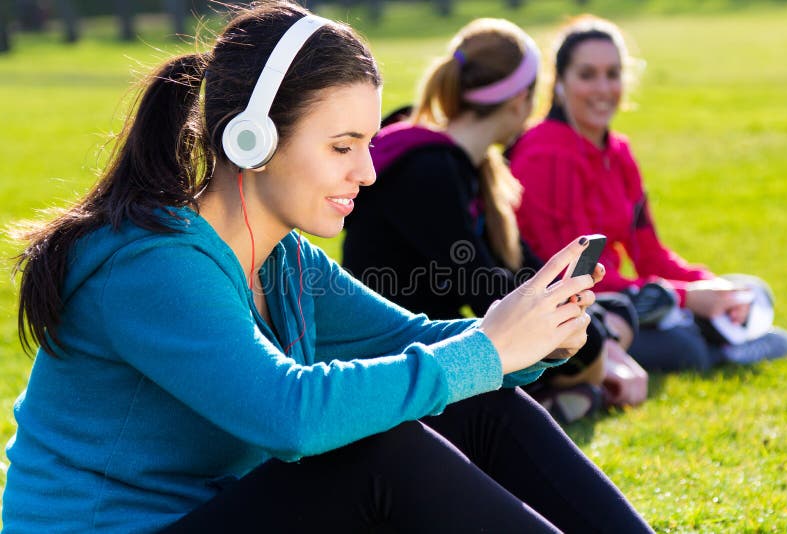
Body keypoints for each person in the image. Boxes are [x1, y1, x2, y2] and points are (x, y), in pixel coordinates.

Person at [2, 2, 654, 532]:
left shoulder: (284, 261)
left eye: (368, 144)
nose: (367, 172)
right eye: (342, 146)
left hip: (211, 517)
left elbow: (414, 344)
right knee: (380, 456)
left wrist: (528, 342)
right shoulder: (150, 269)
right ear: (250, 139)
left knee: (483, 402)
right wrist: (489, 348)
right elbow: (292, 415)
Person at [343, 17, 648, 421]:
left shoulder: (466, 163)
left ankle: (568, 387)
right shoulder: (428, 172)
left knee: (612, 314)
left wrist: (586, 321)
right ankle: (564, 389)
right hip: (403, 360)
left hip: (440, 342)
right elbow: (485, 288)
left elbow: (520, 263)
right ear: (520, 99)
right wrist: (588, 342)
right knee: (586, 337)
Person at [508, 14, 787, 372]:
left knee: (749, 288)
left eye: (612, 74)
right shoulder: (544, 154)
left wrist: (712, 287)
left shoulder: (619, 152)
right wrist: (684, 297)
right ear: (560, 82)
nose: (602, 88)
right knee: (684, 347)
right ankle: (720, 346)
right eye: (587, 75)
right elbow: (573, 276)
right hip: (580, 309)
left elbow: (651, 254)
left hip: (632, 298)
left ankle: (719, 325)